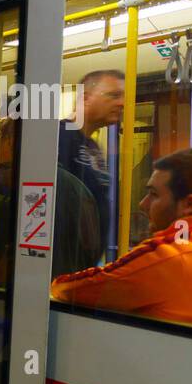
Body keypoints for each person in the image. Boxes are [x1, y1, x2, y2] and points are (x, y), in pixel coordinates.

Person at [51, 147, 192, 329]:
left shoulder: (171, 255)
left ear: (189, 204)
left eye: (153, 194)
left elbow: (70, 289)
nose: (143, 203)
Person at [59, 69, 125, 267]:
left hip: (84, 265)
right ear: (86, 98)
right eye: (114, 95)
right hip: (62, 264)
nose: (121, 103)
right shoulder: (61, 136)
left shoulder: (93, 146)